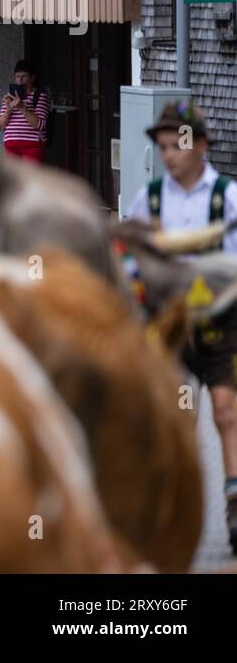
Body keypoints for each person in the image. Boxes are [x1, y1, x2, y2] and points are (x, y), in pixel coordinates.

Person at [124, 100, 237, 554]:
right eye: (164, 146)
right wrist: (135, 283)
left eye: (179, 144)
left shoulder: (225, 195)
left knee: (227, 409)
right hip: (169, 321)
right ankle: (178, 504)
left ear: (202, 145)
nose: (170, 154)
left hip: (221, 318)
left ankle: (233, 499)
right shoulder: (151, 197)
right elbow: (132, 254)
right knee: (178, 412)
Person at [0, 58, 49, 163]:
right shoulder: (9, 97)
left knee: (30, 178)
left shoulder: (39, 96)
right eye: (17, 77)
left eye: (24, 76)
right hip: (11, 146)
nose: (20, 80)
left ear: (32, 78)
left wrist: (22, 108)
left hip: (32, 146)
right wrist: (8, 109)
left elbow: (40, 125)